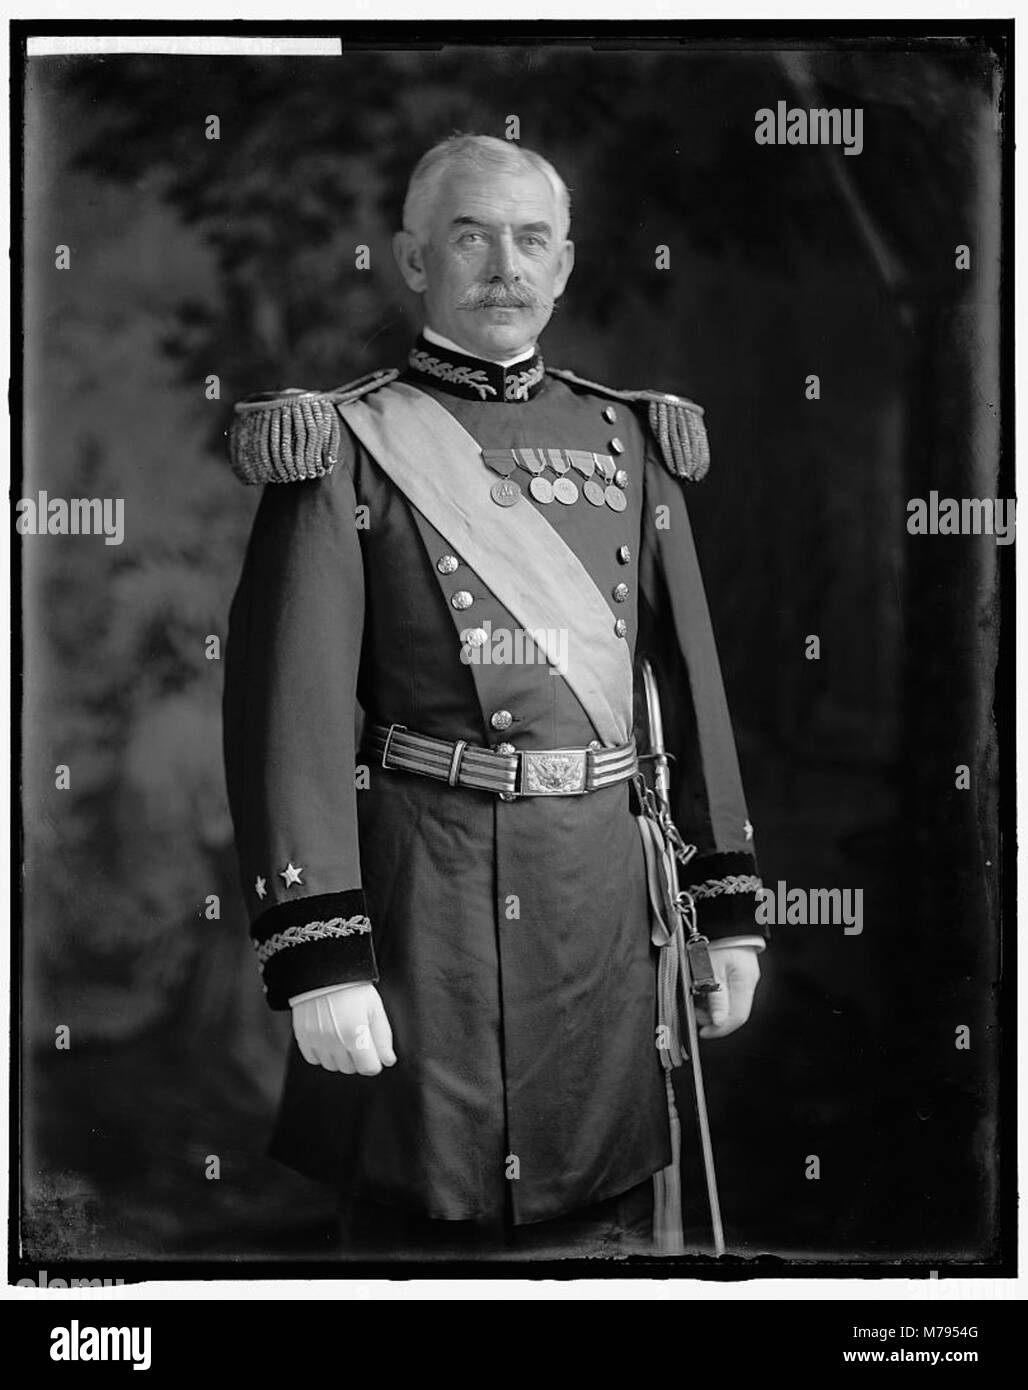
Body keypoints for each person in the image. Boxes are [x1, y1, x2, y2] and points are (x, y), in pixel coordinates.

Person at [223, 134, 765, 1260]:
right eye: (471, 236)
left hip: (604, 909)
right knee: (427, 1228)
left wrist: (724, 913)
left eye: (531, 240)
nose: (505, 266)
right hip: (430, 907)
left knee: (606, 1227)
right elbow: (291, 718)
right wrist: (321, 957)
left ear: (563, 264)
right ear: (415, 261)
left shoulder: (629, 438)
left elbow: (691, 690)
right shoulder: (345, 444)